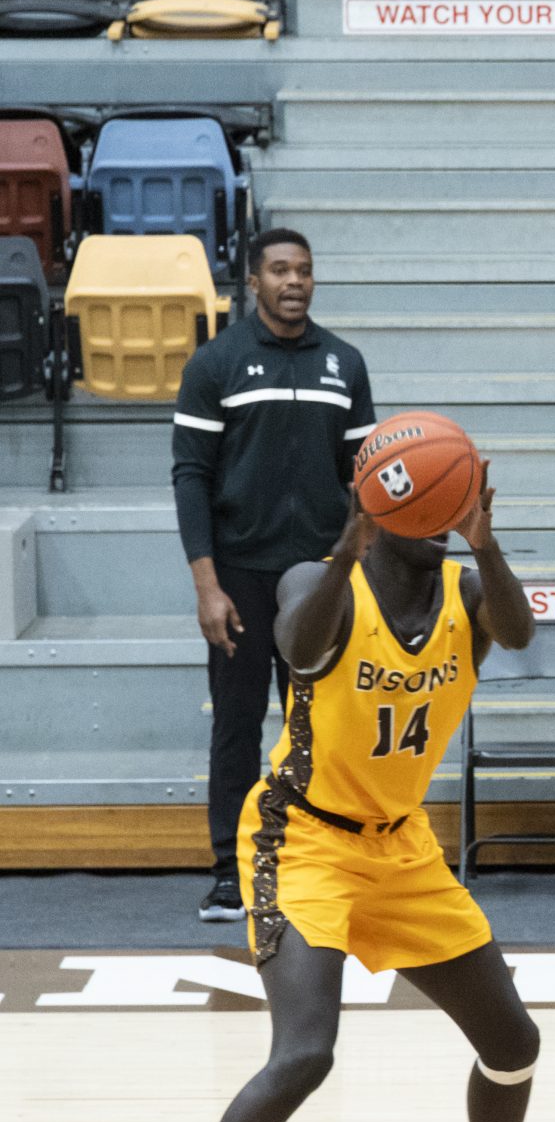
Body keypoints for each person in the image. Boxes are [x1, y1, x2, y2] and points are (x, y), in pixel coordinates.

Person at [123, 476, 555, 1122]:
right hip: (302, 839)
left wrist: (485, 540)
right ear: (383, 518)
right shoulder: (317, 581)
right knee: (305, 1052)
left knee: (514, 1039)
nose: (447, 524)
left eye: (457, 507)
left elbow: (522, 633)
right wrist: (347, 545)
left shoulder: (464, 591)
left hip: (401, 847)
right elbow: (296, 652)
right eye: (435, 512)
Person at [172, 227, 377, 925]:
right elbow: (190, 476)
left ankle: (320, 866)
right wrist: (207, 584)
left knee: (324, 731)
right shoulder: (215, 365)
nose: (295, 281)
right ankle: (232, 876)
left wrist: (359, 573)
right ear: (253, 282)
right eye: (281, 270)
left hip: (321, 581)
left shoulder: (344, 364)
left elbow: (367, 483)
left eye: (306, 271)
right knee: (236, 727)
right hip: (240, 578)